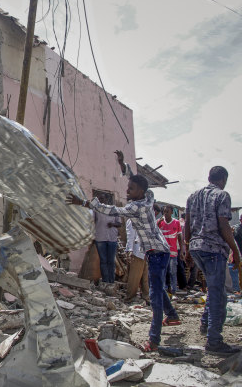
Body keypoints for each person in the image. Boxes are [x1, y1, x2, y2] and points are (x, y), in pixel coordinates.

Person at [66, 150, 180, 352]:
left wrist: (83, 202)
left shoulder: (136, 207)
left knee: (154, 293)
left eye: (131, 189)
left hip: (156, 253)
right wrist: (123, 166)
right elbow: (138, 179)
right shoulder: (149, 195)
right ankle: (172, 316)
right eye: (128, 187)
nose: (127, 190)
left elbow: (110, 210)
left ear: (140, 192)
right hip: (158, 249)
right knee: (158, 286)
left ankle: (154, 340)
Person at [185, 166, 241, 355]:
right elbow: (224, 225)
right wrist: (235, 250)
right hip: (214, 249)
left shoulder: (193, 196)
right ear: (223, 179)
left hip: (196, 248)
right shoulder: (222, 195)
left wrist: (186, 248)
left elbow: (187, 224)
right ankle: (214, 341)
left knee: (212, 289)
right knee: (219, 295)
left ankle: (205, 325)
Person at [93, 195, 122, 283]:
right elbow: (93, 222)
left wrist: (112, 224)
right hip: (100, 238)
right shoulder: (96, 210)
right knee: (103, 261)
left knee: (111, 261)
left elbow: (120, 224)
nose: (101, 201)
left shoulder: (113, 209)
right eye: (99, 199)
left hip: (112, 239)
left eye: (102, 199)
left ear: (106, 199)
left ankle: (111, 281)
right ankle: (105, 281)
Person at [158, 205, 185, 295]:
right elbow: (155, 233)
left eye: (167, 212)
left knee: (173, 271)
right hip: (162, 252)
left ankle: (173, 290)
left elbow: (180, 237)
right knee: (163, 271)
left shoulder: (176, 223)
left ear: (172, 212)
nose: (165, 214)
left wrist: (181, 250)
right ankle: (164, 289)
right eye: (164, 212)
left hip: (173, 252)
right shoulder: (160, 222)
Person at [125, 218, 149, 303]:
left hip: (144, 252)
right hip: (136, 252)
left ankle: (146, 297)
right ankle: (130, 297)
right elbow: (130, 236)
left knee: (145, 277)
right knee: (134, 277)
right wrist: (130, 250)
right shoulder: (132, 220)